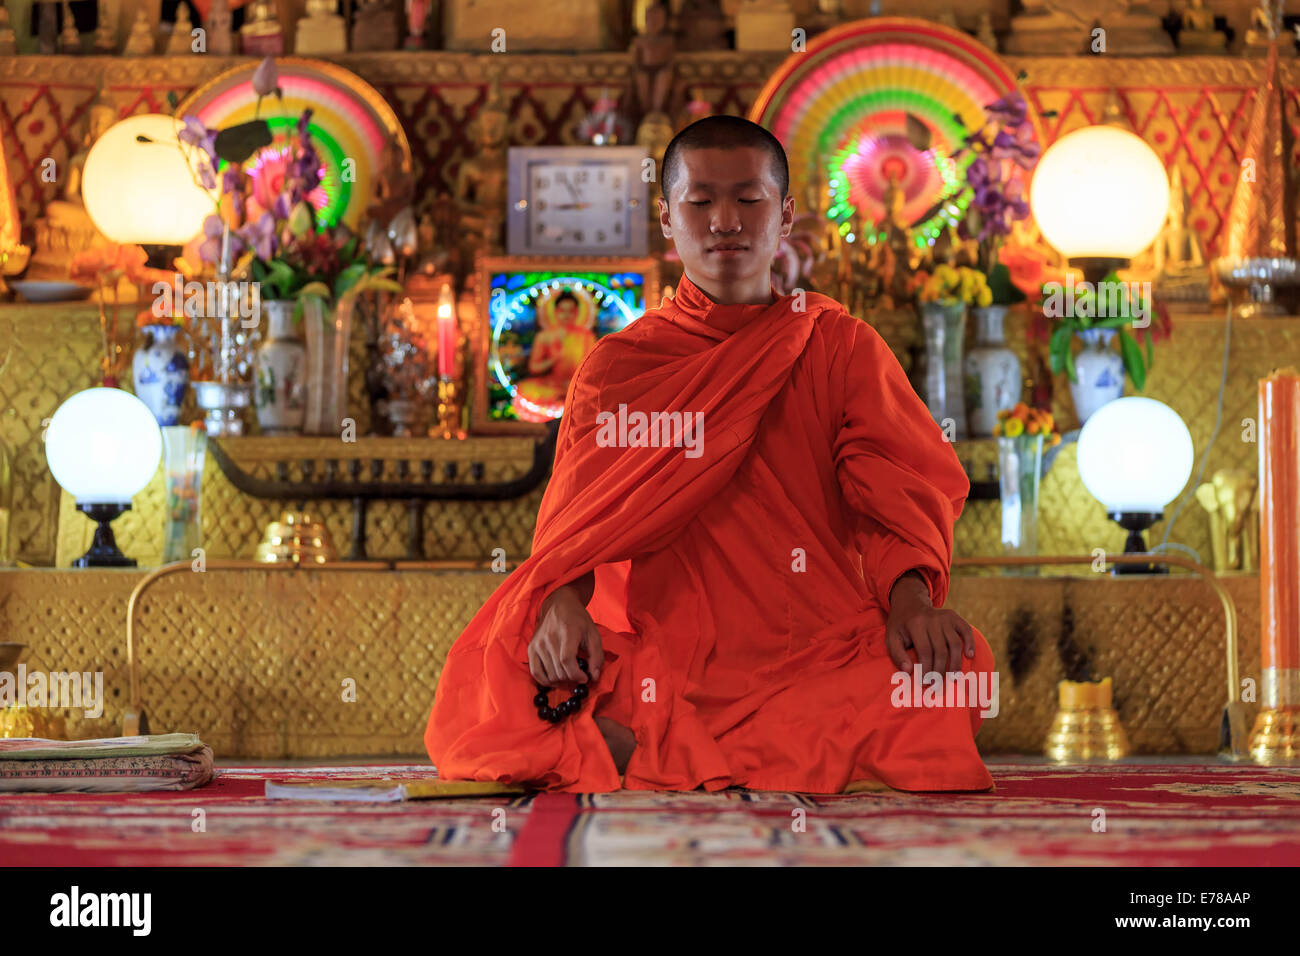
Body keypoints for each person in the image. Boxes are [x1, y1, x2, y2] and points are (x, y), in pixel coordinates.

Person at [425, 115, 996, 794]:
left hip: (818, 649)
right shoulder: (620, 367)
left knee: (958, 673)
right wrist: (563, 605)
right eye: (701, 202)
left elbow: (896, 497)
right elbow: (578, 525)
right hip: (672, 657)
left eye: (749, 200)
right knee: (499, 674)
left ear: (785, 216)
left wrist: (911, 605)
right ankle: (716, 746)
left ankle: (639, 749)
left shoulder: (839, 347)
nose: (726, 220)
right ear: (667, 219)